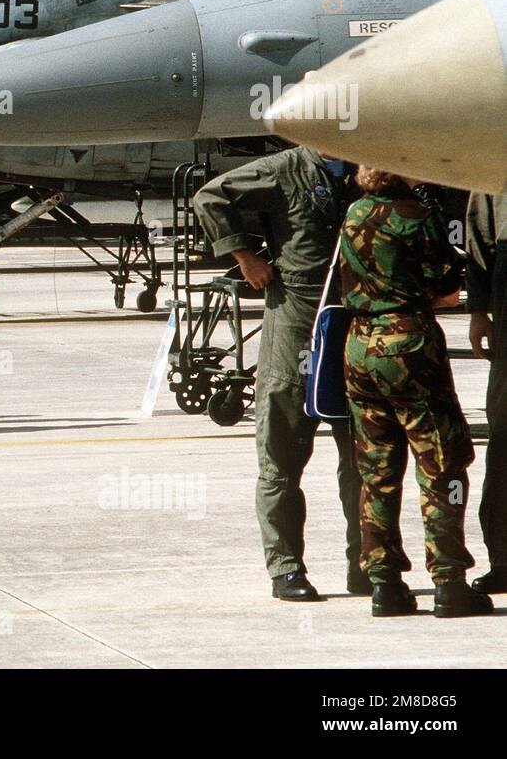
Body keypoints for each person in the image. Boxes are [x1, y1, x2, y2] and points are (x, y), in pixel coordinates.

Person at [194, 146, 366, 600]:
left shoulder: (366, 166)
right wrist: (243, 256)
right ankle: (286, 568)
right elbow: (210, 197)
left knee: (365, 462)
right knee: (281, 461)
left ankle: (367, 563)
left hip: (354, 324)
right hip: (296, 324)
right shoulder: (283, 170)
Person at [340, 167, 492, 618]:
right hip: (408, 341)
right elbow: (445, 285)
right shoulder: (414, 213)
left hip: (360, 344)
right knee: (441, 460)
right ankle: (449, 581)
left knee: (376, 468)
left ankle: (384, 584)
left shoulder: (354, 212)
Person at [467, 192, 507, 594]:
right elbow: (480, 237)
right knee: (504, 439)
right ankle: (504, 559)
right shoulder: (494, 155)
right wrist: (479, 310)